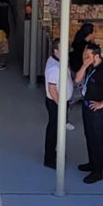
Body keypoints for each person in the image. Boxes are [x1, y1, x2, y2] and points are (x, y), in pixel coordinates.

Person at [75, 43, 103, 184]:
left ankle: (98, 170)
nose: (85, 58)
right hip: (86, 105)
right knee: (88, 136)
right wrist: (84, 65)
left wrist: (101, 104)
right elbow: (77, 79)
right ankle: (92, 162)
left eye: (88, 56)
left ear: (96, 56)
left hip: (96, 110)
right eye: (85, 55)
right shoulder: (90, 66)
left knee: (97, 139)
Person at [42, 39, 65, 169]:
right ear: (56, 51)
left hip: (56, 102)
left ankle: (54, 153)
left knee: (55, 130)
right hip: (55, 103)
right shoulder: (54, 68)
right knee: (54, 131)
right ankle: (50, 158)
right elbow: (52, 89)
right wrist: (61, 106)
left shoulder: (55, 61)